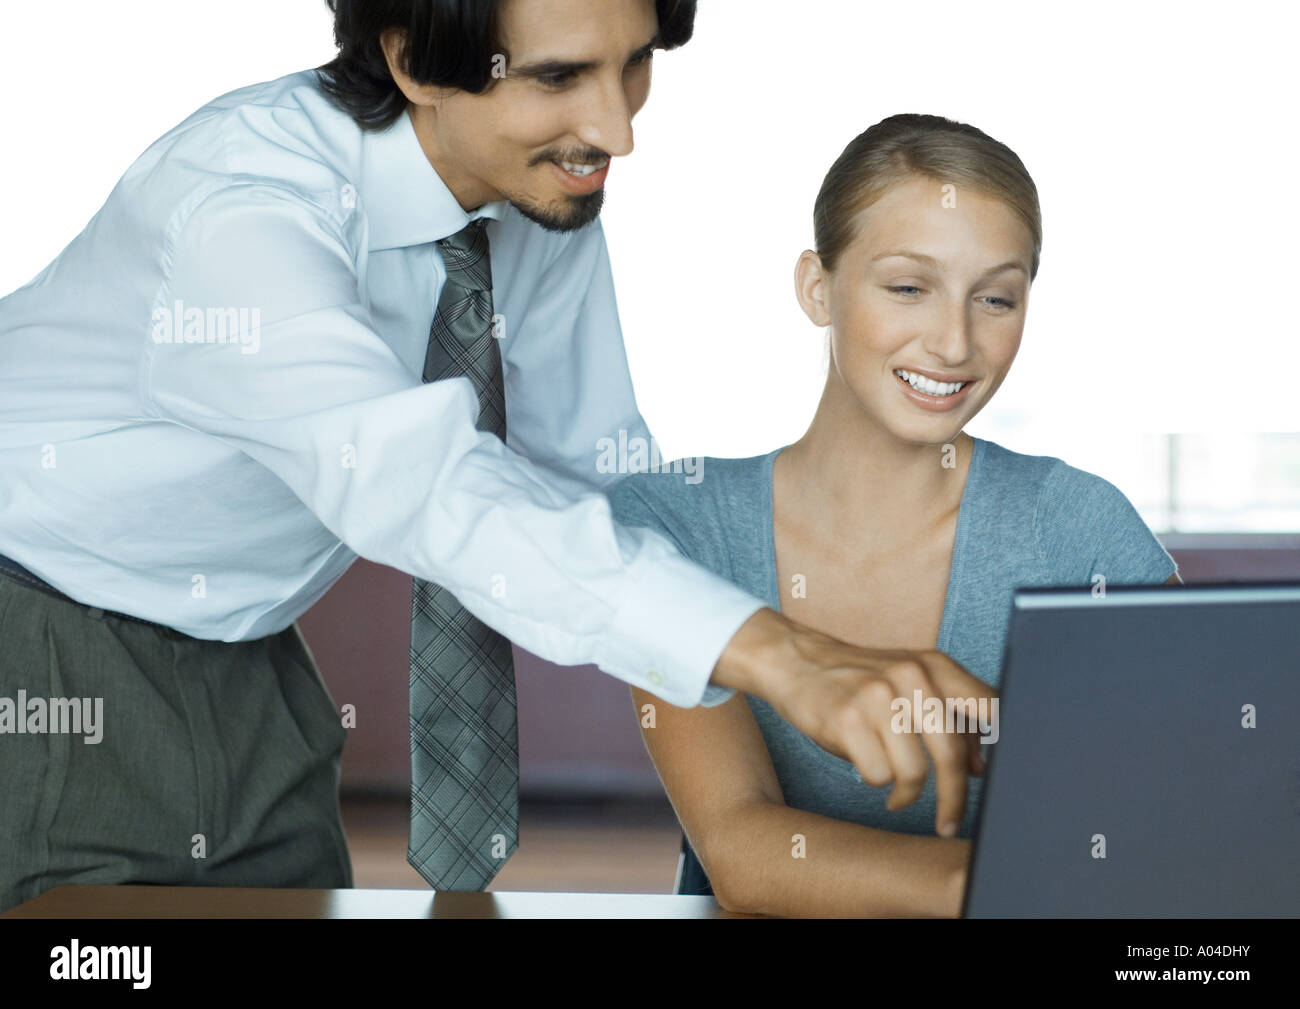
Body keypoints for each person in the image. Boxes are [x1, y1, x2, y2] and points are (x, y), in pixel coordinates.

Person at [0, 2, 991, 911]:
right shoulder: (237, 212)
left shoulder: (534, 199)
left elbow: (592, 491)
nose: (617, 130)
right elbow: (427, 487)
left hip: (247, 643)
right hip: (42, 627)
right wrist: (784, 658)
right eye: (559, 78)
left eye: (635, 63)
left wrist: (825, 656)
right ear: (411, 62)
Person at [606, 113, 1183, 917]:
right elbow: (744, 853)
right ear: (817, 286)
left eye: (995, 297)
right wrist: (1007, 879)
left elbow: (1176, 821)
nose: (954, 343)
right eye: (909, 287)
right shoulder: (676, 525)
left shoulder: (1081, 529)